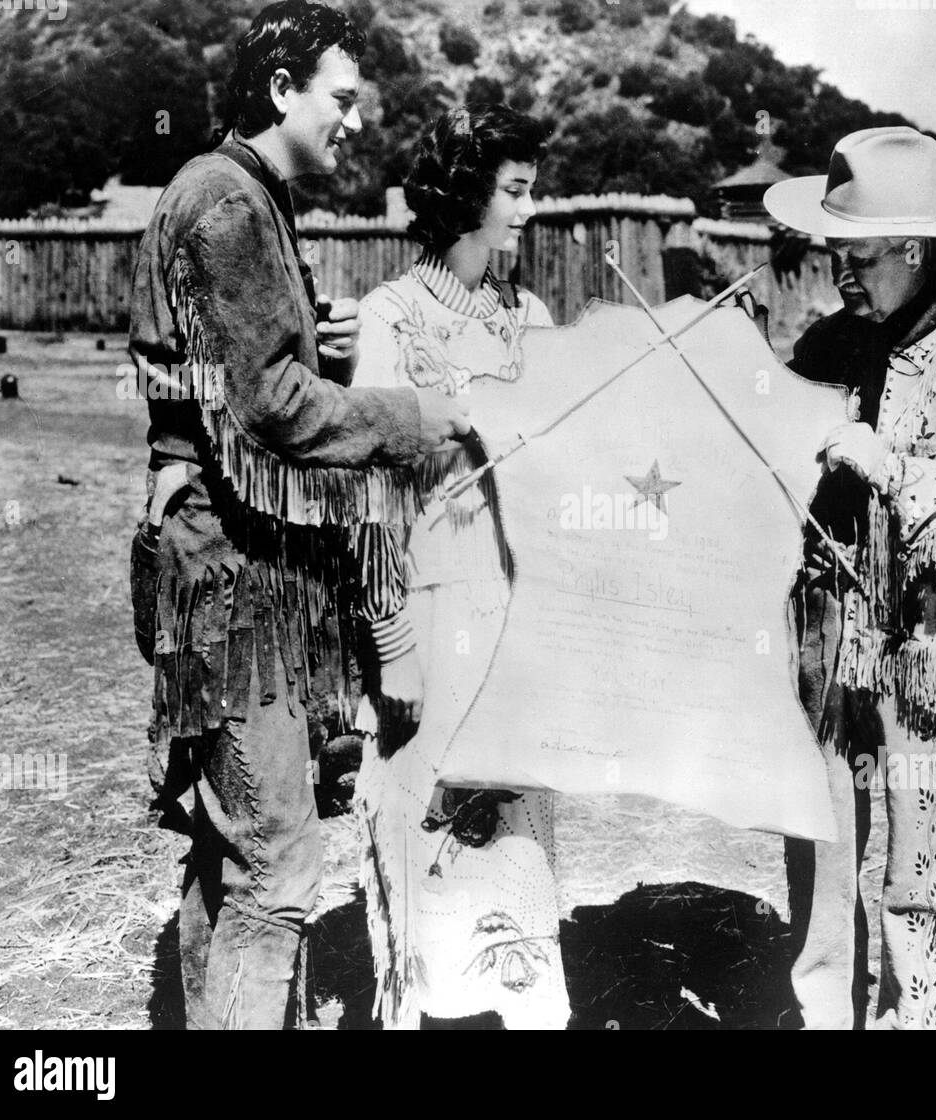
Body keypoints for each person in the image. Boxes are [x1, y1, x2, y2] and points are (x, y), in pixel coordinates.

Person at [127, 0, 471, 1030]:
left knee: (230, 849)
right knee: (280, 865)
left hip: (216, 560)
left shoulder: (237, 192)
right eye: (343, 98)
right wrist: (408, 417)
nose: (356, 121)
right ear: (282, 90)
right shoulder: (229, 205)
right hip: (225, 579)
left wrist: (302, 342)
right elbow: (268, 409)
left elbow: (238, 367)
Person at [764, 127, 936, 1029]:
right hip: (828, 640)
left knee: (916, 871)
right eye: (835, 253)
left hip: (930, 655)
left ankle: (908, 1021)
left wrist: (892, 466)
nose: (842, 274)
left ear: (915, 250)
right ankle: (821, 1015)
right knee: (821, 846)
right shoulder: (829, 343)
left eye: (862, 256)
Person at [349, 104, 571, 1029]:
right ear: (465, 197)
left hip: (517, 612)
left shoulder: (532, 315)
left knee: (514, 843)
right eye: (514, 192)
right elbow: (363, 496)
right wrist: (391, 641)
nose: (528, 209)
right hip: (431, 612)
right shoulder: (391, 319)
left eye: (529, 190)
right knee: (429, 832)